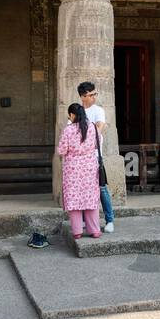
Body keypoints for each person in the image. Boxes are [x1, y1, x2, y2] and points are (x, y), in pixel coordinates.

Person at [57, 102, 102, 241]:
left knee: (74, 198)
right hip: (89, 166)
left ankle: (77, 231)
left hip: (73, 168)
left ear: (72, 115)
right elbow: (98, 144)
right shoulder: (93, 127)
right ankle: (94, 230)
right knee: (90, 198)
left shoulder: (68, 130)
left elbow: (62, 150)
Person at [78, 82, 115, 233]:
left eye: (95, 94)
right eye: (91, 95)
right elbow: (70, 130)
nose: (94, 97)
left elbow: (100, 127)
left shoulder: (98, 110)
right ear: (82, 96)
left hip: (94, 156)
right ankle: (84, 221)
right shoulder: (77, 111)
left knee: (102, 189)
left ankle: (109, 220)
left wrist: (85, 138)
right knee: (81, 189)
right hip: (79, 159)